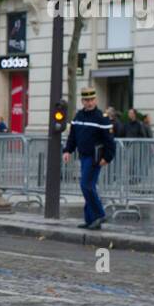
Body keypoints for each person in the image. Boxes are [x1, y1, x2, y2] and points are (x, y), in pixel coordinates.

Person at [61, 87, 115, 230]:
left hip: (95, 157)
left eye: (91, 100)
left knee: (86, 185)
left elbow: (110, 141)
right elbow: (73, 136)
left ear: (95, 100)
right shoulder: (78, 116)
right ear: (82, 101)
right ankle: (90, 220)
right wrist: (67, 150)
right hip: (83, 156)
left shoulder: (101, 117)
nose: (89, 103)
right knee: (88, 187)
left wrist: (107, 158)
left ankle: (99, 215)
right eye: (86, 100)